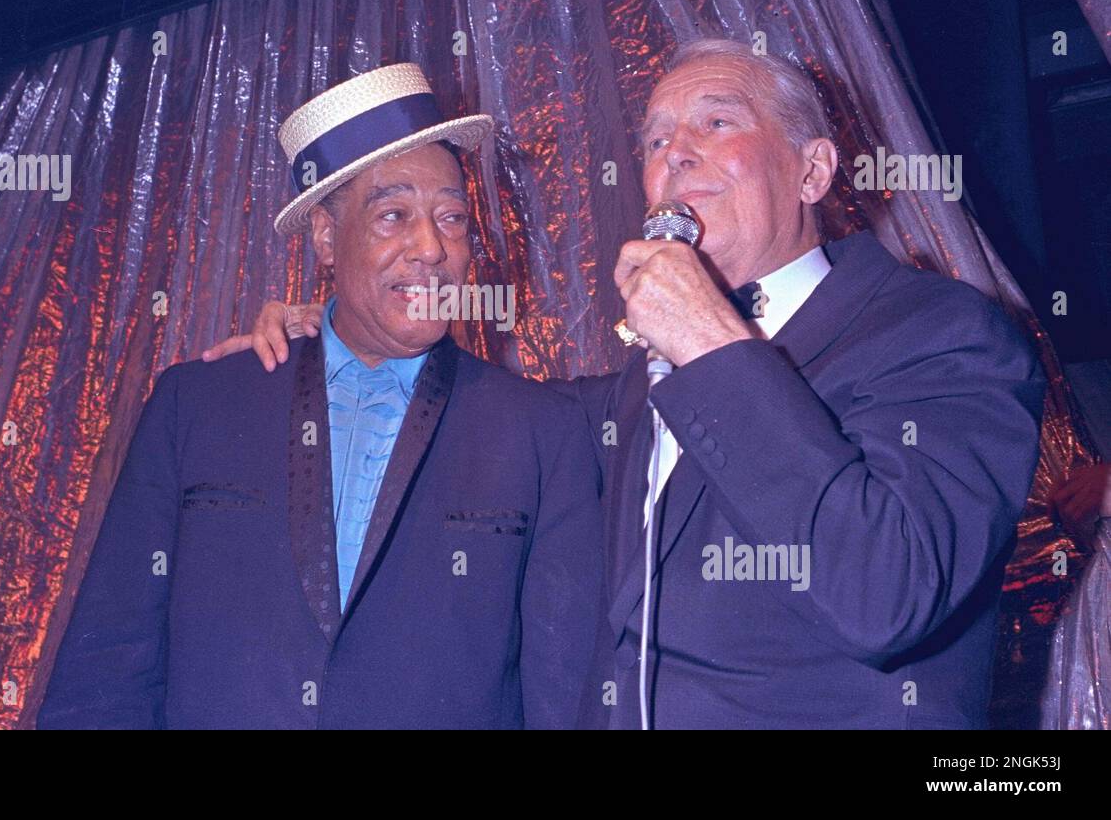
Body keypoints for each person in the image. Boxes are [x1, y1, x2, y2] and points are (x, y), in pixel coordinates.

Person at [209, 40, 1048, 729]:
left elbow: (890, 590)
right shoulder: (628, 393)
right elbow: (482, 411)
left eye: (716, 123)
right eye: (652, 141)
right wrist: (356, 337)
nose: (674, 153)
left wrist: (712, 344)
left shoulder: (944, 335)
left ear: (813, 170)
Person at [38, 64, 603, 729]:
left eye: (452, 218)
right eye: (395, 214)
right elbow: (108, 664)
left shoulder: (540, 432)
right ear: (328, 238)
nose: (431, 247)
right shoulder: (199, 406)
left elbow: (564, 699)